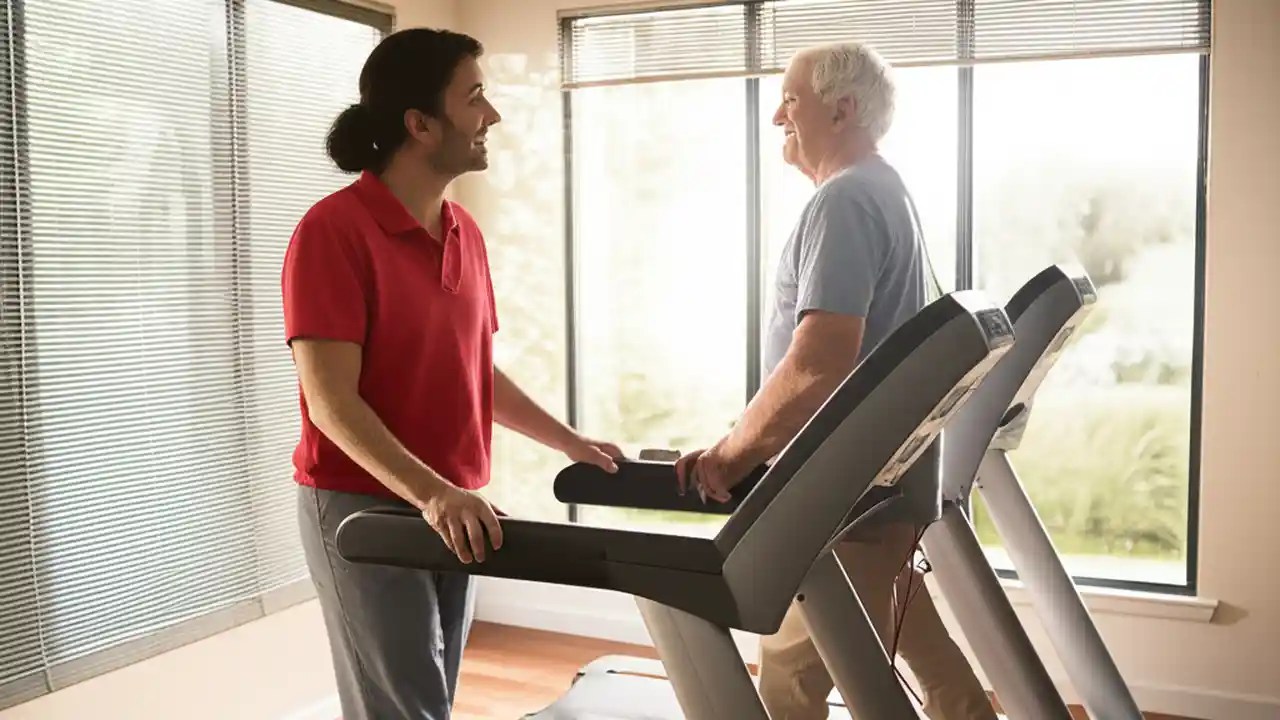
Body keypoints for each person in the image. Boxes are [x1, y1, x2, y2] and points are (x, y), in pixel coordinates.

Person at [281, 28, 622, 720]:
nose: (490, 116)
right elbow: (329, 402)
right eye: (475, 98)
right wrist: (433, 496)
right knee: (403, 709)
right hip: (364, 505)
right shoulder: (333, 232)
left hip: (452, 506)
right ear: (420, 124)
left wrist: (569, 442)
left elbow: (475, 373)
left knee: (429, 699)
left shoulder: (463, 229)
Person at [675, 42, 996, 720]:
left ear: (842, 110)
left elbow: (820, 363)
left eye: (791, 100)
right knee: (925, 648)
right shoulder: (886, 190)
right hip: (875, 486)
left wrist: (733, 456)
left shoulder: (845, 201)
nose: (777, 118)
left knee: (786, 687)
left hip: (844, 495)